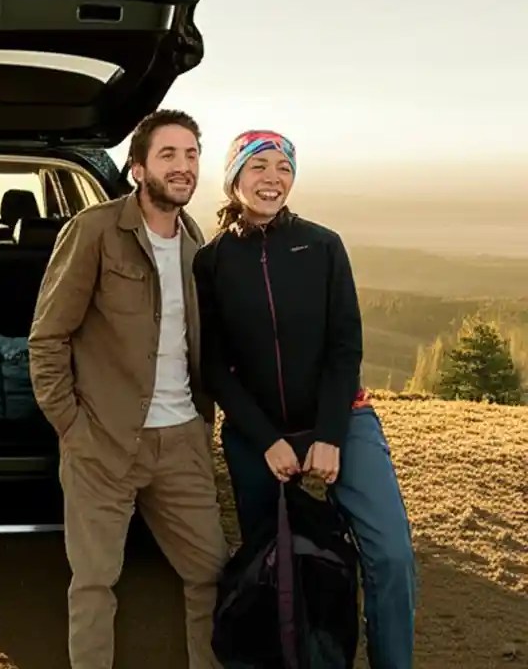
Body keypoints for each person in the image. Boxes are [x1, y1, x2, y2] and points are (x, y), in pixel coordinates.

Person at [192, 129, 417, 668]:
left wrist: (330, 435)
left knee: (391, 555)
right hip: (258, 437)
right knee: (274, 565)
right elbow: (213, 366)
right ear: (234, 178)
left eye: (283, 168)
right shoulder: (211, 261)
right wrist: (267, 440)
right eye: (259, 166)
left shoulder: (322, 245)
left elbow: (346, 347)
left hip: (343, 421)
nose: (272, 179)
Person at [29, 109, 229, 669]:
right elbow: (47, 339)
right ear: (138, 169)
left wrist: (202, 425)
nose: (183, 166)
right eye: (168, 155)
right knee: (94, 583)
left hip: (182, 440)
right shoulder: (94, 231)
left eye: (191, 155)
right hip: (103, 441)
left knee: (210, 570)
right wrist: (73, 426)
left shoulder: (197, 245)